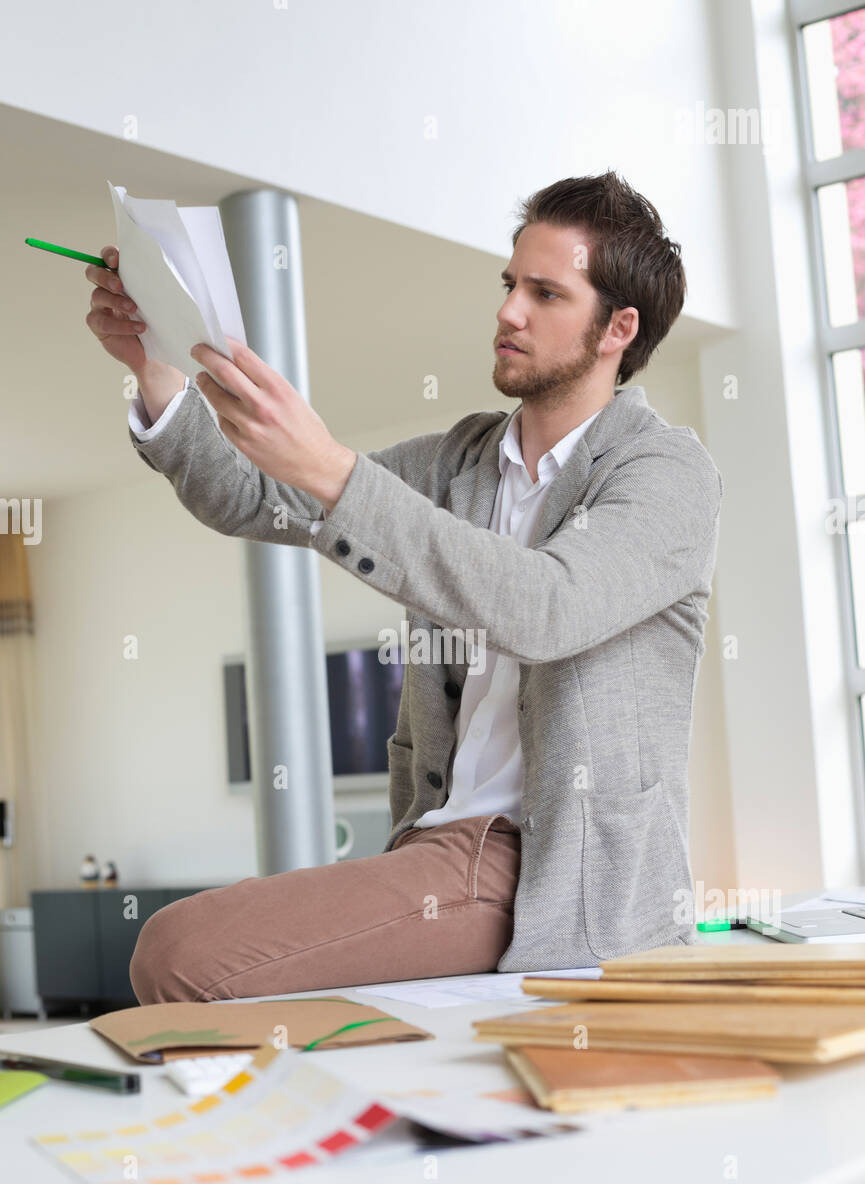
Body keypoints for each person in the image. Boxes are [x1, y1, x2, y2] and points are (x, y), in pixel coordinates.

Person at [85, 170, 722, 1004]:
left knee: (177, 949)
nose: (507, 311)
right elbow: (255, 496)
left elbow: (547, 606)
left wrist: (333, 468)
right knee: (201, 959)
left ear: (617, 327)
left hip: (544, 867)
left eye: (544, 293)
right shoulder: (457, 461)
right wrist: (157, 371)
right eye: (507, 285)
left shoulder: (665, 473)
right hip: (431, 847)